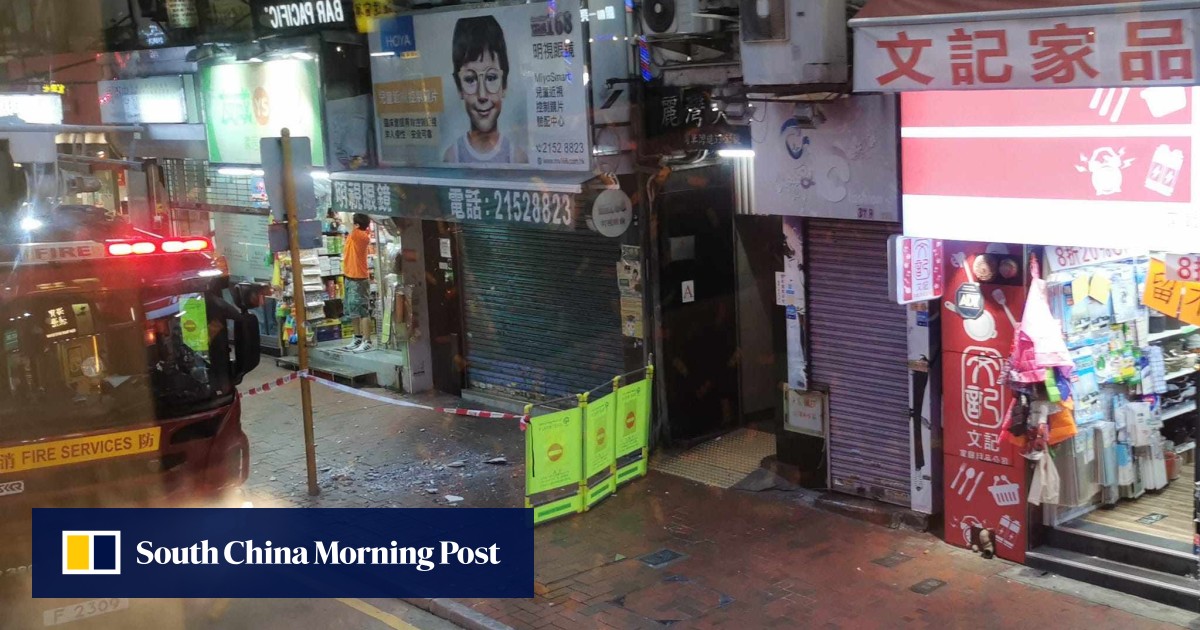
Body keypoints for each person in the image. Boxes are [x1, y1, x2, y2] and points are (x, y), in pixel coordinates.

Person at [443, 16, 528, 165]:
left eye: (491, 77)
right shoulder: (452, 156)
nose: (482, 95)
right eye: (470, 79)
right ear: (459, 87)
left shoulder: (517, 157)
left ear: (504, 84)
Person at [342, 213, 374, 352]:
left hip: (359, 279)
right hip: (350, 277)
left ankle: (367, 341)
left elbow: (346, 221)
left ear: (356, 225)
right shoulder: (354, 235)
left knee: (362, 311)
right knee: (352, 311)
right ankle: (357, 337)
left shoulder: (360, 236)